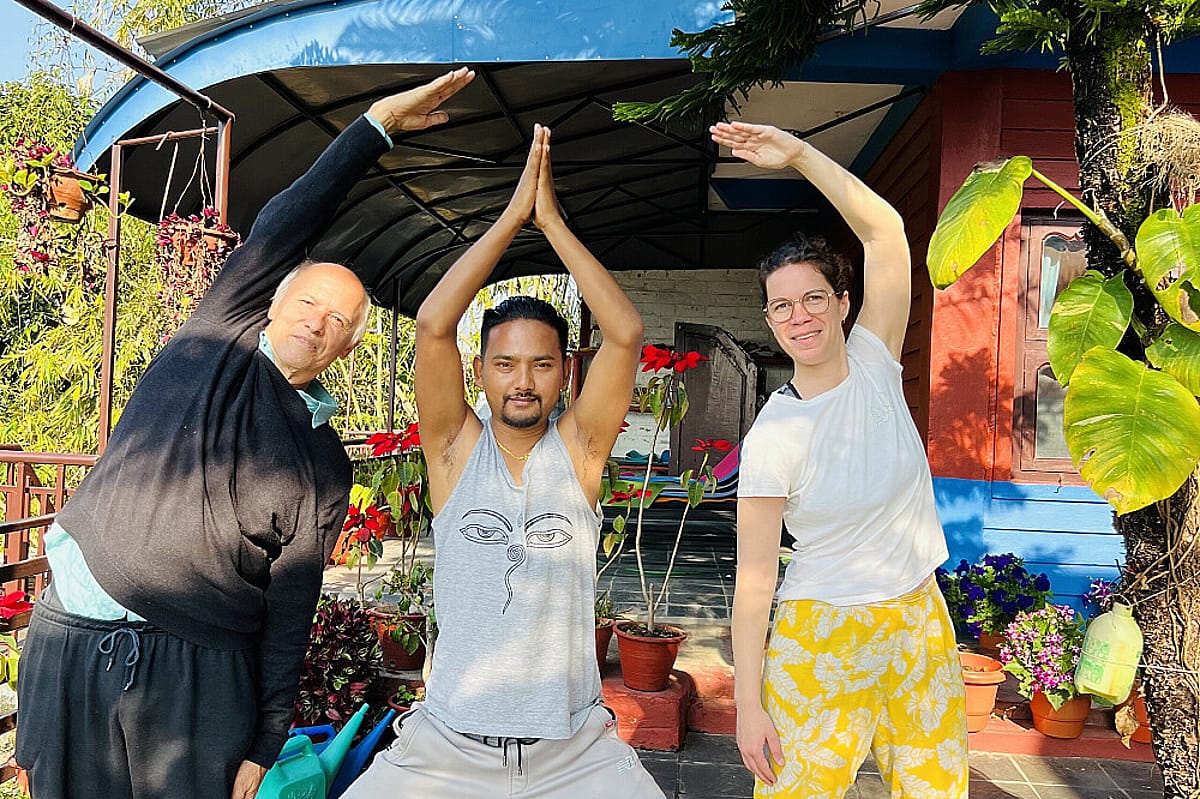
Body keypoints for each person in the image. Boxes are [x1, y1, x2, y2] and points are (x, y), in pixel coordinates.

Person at [14, 69, 476, 799]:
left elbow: (292, 603)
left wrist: (266, 739)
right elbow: (286, 223)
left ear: (347, 347)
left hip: (200, 680)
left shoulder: (324, 459)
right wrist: (374, 126)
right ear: (271, 301)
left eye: (338, 320)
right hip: (73, 642)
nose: (317, 320)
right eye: (309, 300)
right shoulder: (217, 338)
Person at [343, 124, 664, 798]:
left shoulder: (579, 452)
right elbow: (434, 323)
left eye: (542, 363)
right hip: (448, 742)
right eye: (505, 363)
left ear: (562, 373)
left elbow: (627, 331)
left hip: (573, 746)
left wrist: (551, 223)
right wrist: (512, 215)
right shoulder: (456, 451)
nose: (524, 379)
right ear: (481, 372)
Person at [713, 121, 968, 798]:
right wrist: (748, 703)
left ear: (843, 301)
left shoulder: (876, 360)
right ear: (770, 323)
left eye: (814, 297)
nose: (800, 316)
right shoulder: (774, 435)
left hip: (918, 621)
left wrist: (796, 155)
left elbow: (885, 232)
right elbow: (754, 580)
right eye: (781, 307)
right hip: (820, 634)